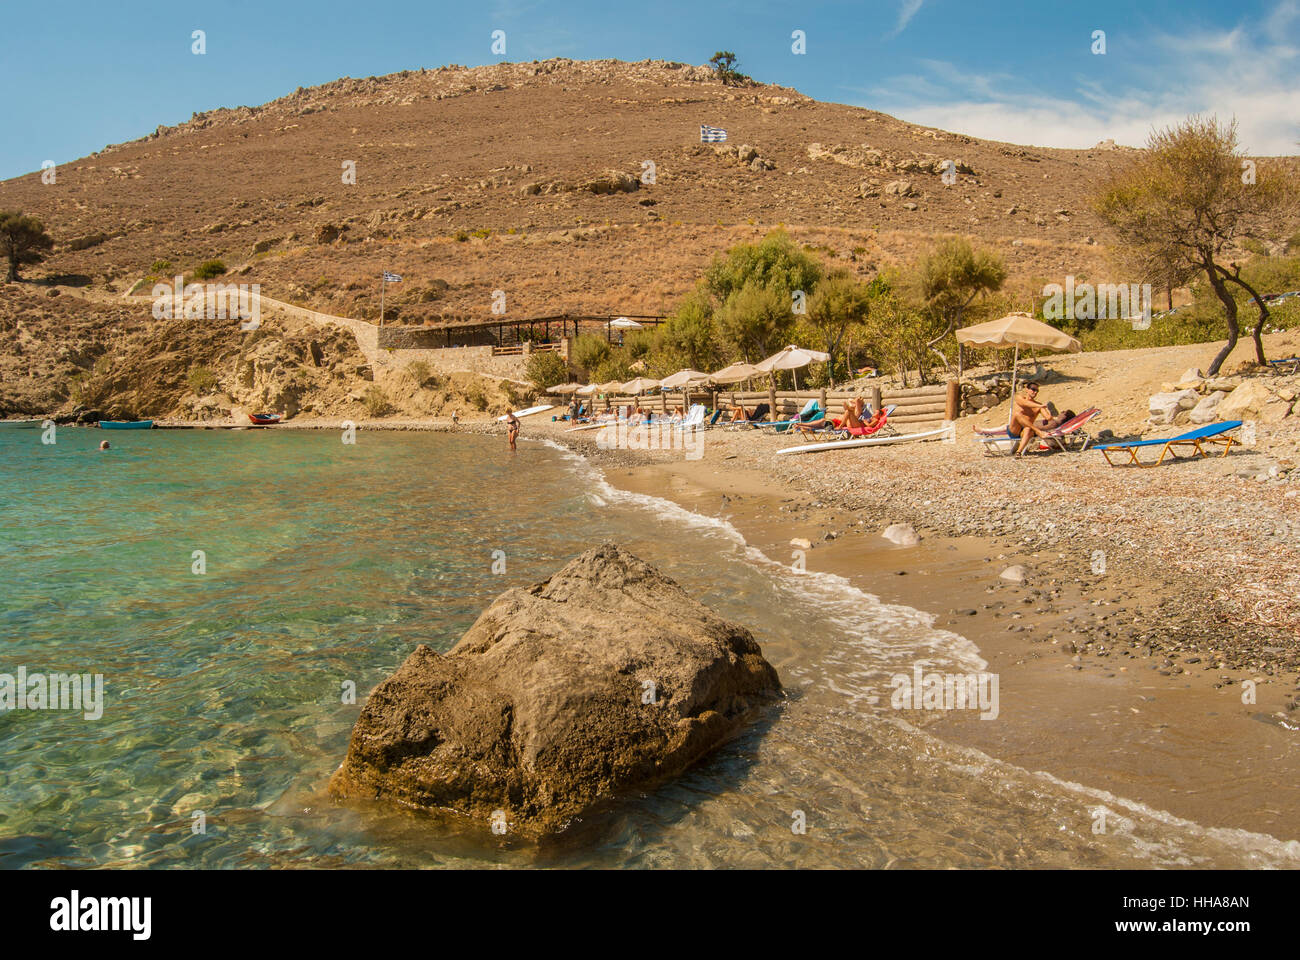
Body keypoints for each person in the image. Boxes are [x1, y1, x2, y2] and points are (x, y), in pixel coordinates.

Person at [1011, 382, 1052, 456]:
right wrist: (1041, 406)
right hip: (1015, 429)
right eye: (1033, 389)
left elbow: (1048, 418)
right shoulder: (1019, 397)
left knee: (1028, 429)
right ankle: (1038, 431)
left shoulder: (1039, 405)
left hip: (1027, 430)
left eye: (1037, 391)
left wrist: (1049, 411)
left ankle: (1019, 452)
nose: (1035, 392)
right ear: (1027, 389)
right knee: (1017, 414)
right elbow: (1026, 403)